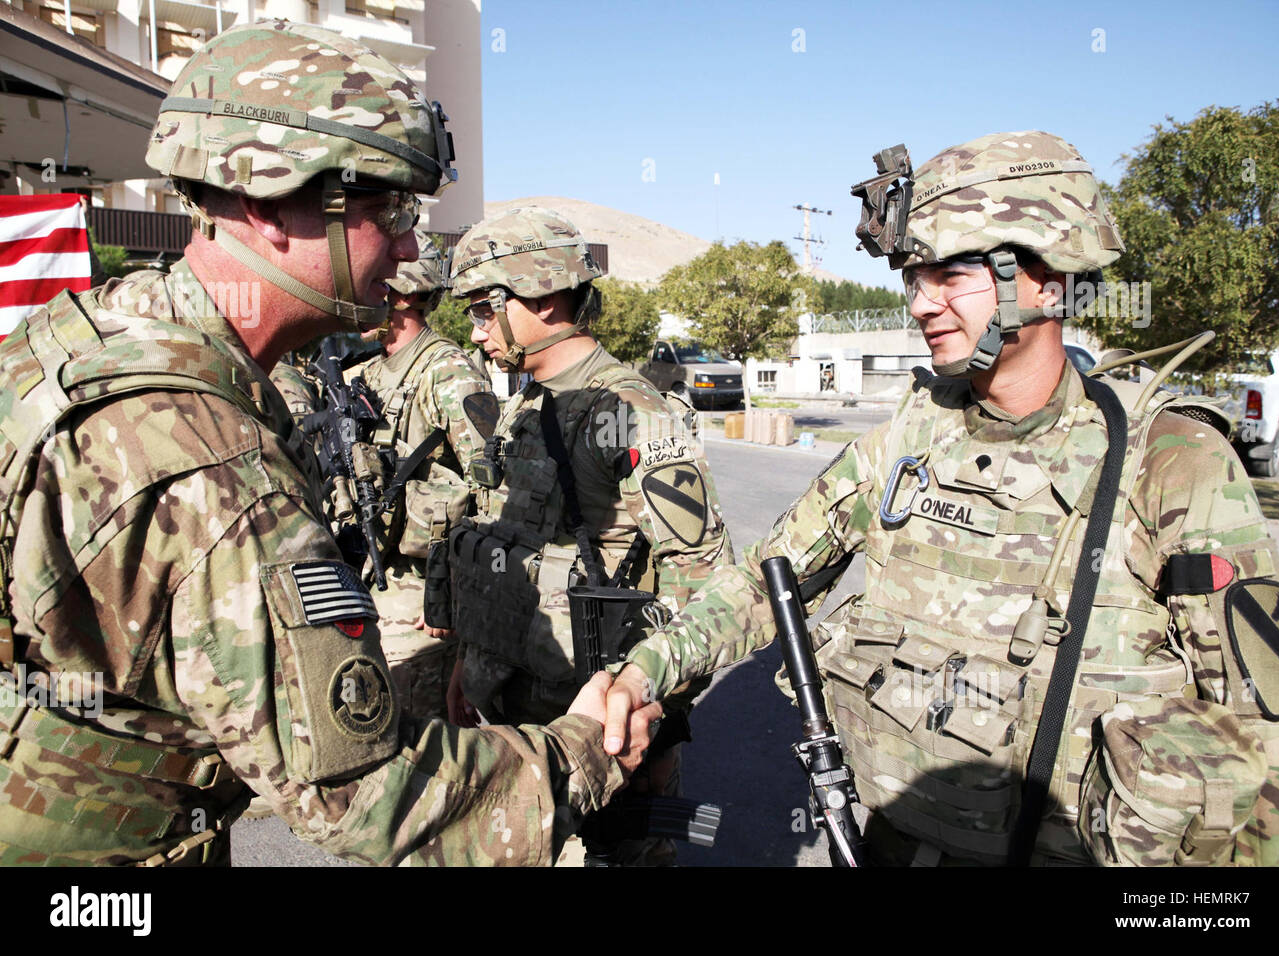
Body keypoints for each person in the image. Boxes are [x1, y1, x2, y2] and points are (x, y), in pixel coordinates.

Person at [0, 20, 655, 867]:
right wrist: (584, 755)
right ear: (270, 203)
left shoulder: (76, 339)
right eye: (391, 210)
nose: (413, 246)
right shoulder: (216, 472)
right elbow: (370, 797)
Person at [602, 130, 1279, 867]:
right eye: (913, 277)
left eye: (952, 274)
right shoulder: (909, 432)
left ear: (1049, 279)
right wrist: (647, 670)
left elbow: (1271, 736)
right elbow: (767, 581)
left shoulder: (1171, 463)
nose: (921, 303)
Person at [443, 207, 734, 864]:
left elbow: (710, 583)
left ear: (544, 298)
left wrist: (646, 696)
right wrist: (472, 659)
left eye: (486, 308)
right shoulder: (527, 402)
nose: (475, 328)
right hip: (520, 717)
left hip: (598, 734)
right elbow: (503, 544)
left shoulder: (629, 412)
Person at [355, 231, 493, 721]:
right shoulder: (370, 374)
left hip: (425, 597)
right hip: (377, 578)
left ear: (406, 295)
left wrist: (456, 601)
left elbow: (493, 490)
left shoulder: (449, 373)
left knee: (421, 739)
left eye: (376, 283)